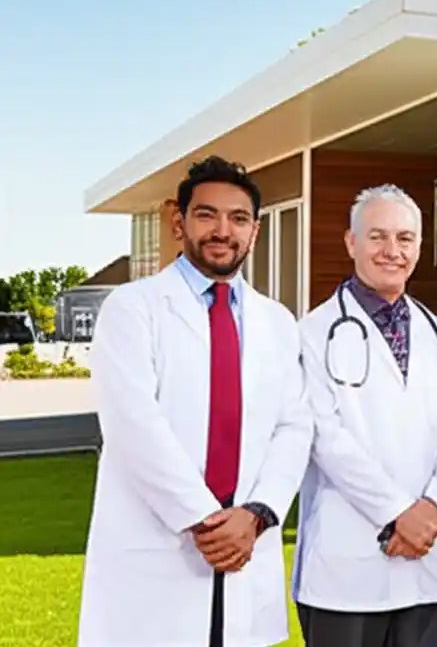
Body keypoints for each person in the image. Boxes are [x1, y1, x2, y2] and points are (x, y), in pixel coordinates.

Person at [79, 157, 312, 647]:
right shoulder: (133, 309)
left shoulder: (277, 321)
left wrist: (258, 513)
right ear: (178, 222)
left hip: (248, 545)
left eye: (239, 218)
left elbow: (294, 427)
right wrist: (208, 523)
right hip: (160, 554)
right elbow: (133, 427)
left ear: (255, 230)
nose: (222, 230)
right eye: (207, 215)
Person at [292, 184, 437, 647]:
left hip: (424, 560)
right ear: (351, 243)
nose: (392, 250)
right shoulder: (311, 333)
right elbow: (325, 437)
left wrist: (429, 508)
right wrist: (397, 513)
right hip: (347, 562)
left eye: (405, 238)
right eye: (377, 236)